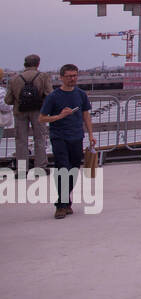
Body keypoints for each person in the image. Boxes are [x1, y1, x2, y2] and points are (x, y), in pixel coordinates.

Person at [37, 64, 96, 219]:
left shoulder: (81, 94)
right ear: (61, 77)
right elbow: (42, 118)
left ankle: (66, 201)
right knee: (63, 168)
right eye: (69, 76)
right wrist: (59, 117)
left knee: (74, 169)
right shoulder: (53, 97)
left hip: (77, 136)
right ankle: (61, 205)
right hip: (59, 136)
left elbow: (86, 115)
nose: (72, 79)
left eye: (75, 75)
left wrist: (90, 134)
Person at [6, 54, 52, 172]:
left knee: (21, 140)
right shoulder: (43, 76)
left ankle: (22, 170)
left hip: (20, 112)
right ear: (38, 64)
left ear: (24, 63)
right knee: (40, 139)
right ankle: (40, 167)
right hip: (39, 111)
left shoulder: (14, 78)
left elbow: (8, 100)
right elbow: (50, 95)